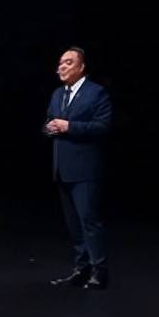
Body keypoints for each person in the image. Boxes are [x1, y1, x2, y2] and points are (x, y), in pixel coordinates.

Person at [43, 46, 113, 290]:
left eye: (68, 62)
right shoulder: (57, 94)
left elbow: (103, 126)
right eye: (60, 63)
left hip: (85, 169)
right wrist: (49, 128)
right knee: (73, 225)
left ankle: (99, 271)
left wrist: (69, 126)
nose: (62, 66)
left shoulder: (96, 93)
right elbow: (49, 123)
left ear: (81, 67)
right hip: (62, 168)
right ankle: (81, 269)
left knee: (89, 221)